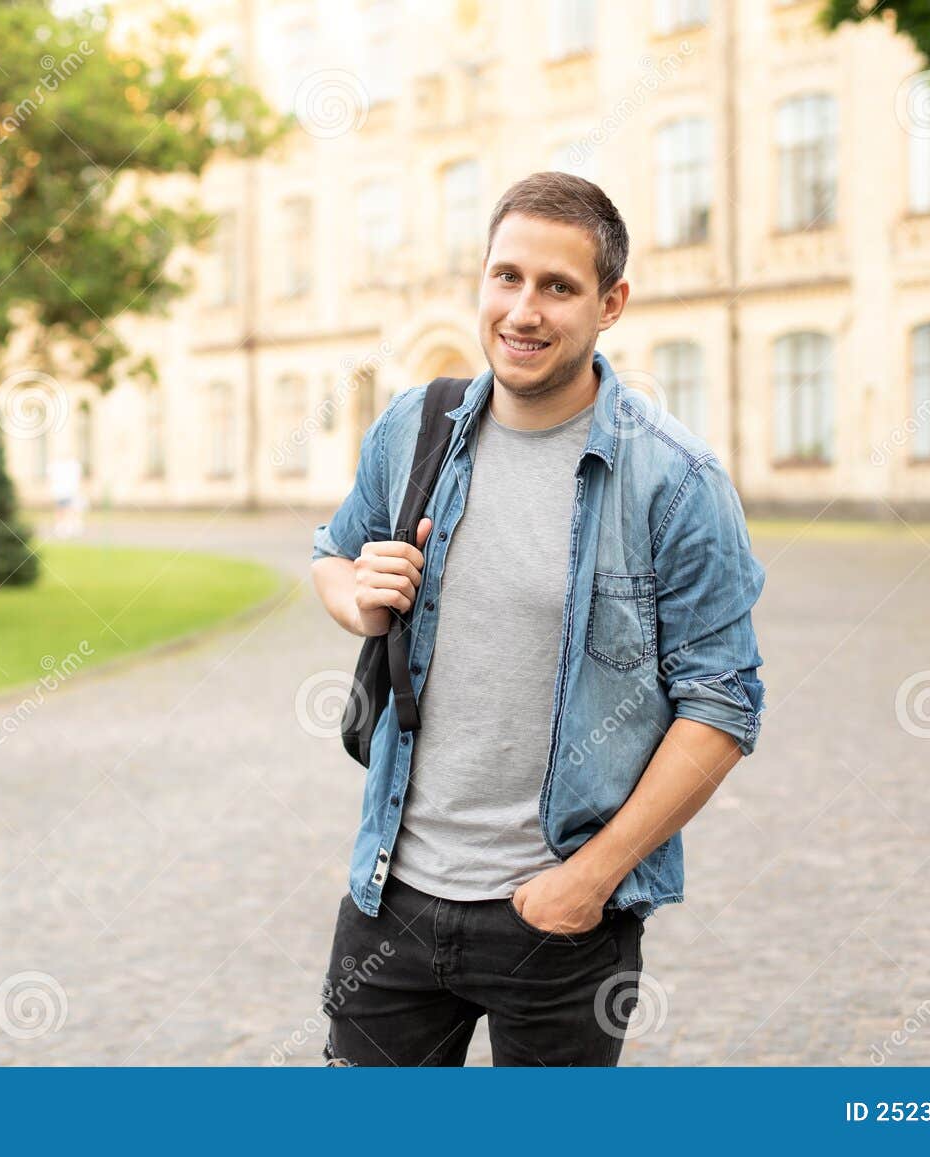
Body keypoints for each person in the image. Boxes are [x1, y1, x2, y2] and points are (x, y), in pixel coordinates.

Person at [308, 171, 767, 1066]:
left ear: (611, 304)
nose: (524, 310)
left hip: (560, 923)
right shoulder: (415, 424)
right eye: (507, 277)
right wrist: (357, 598)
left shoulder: (674, 481)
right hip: (389, 897)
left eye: (558, 287)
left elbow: (722, 705)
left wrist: (589, 881)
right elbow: (331, 553)